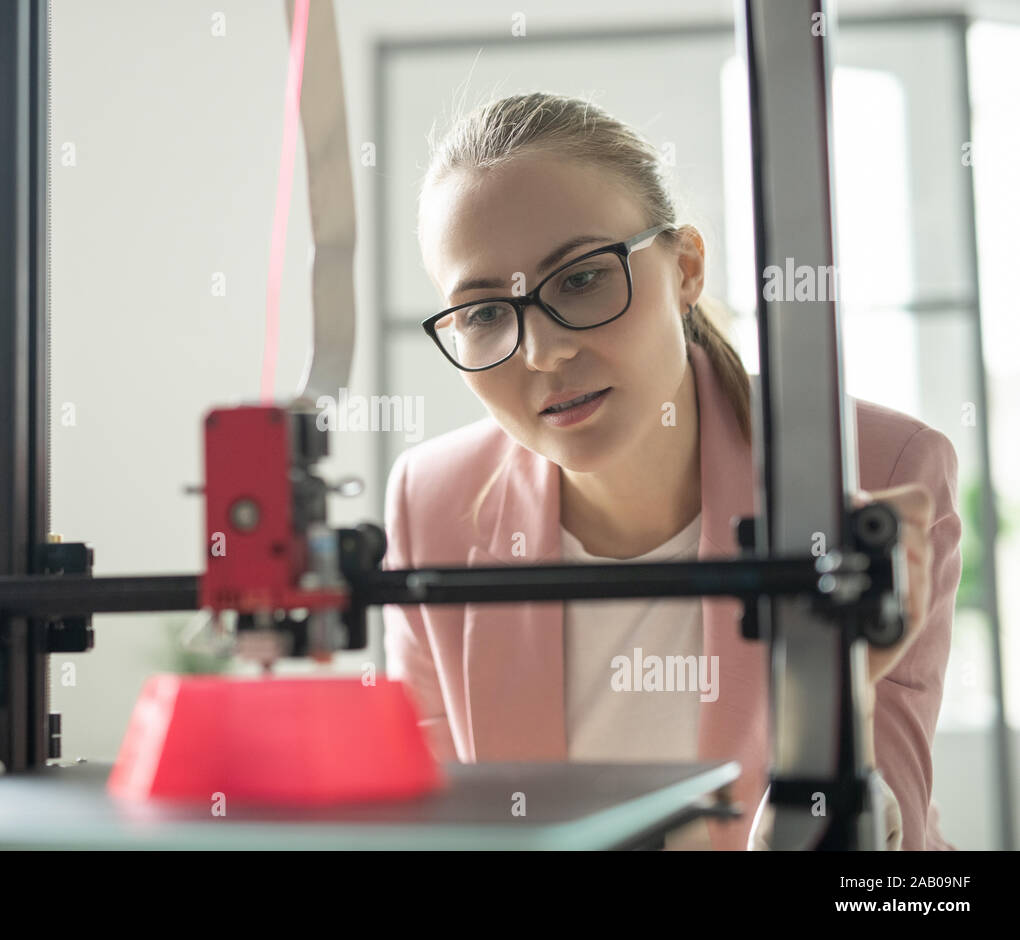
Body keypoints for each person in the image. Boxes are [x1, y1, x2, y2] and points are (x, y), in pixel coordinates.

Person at [382, 92, 961, 850]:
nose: (543, 352)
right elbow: (445, 828)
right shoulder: (433, 503)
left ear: (685, 267)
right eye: (486, 311)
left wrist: (837, 704)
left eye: (581, 279)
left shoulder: (877, 471)